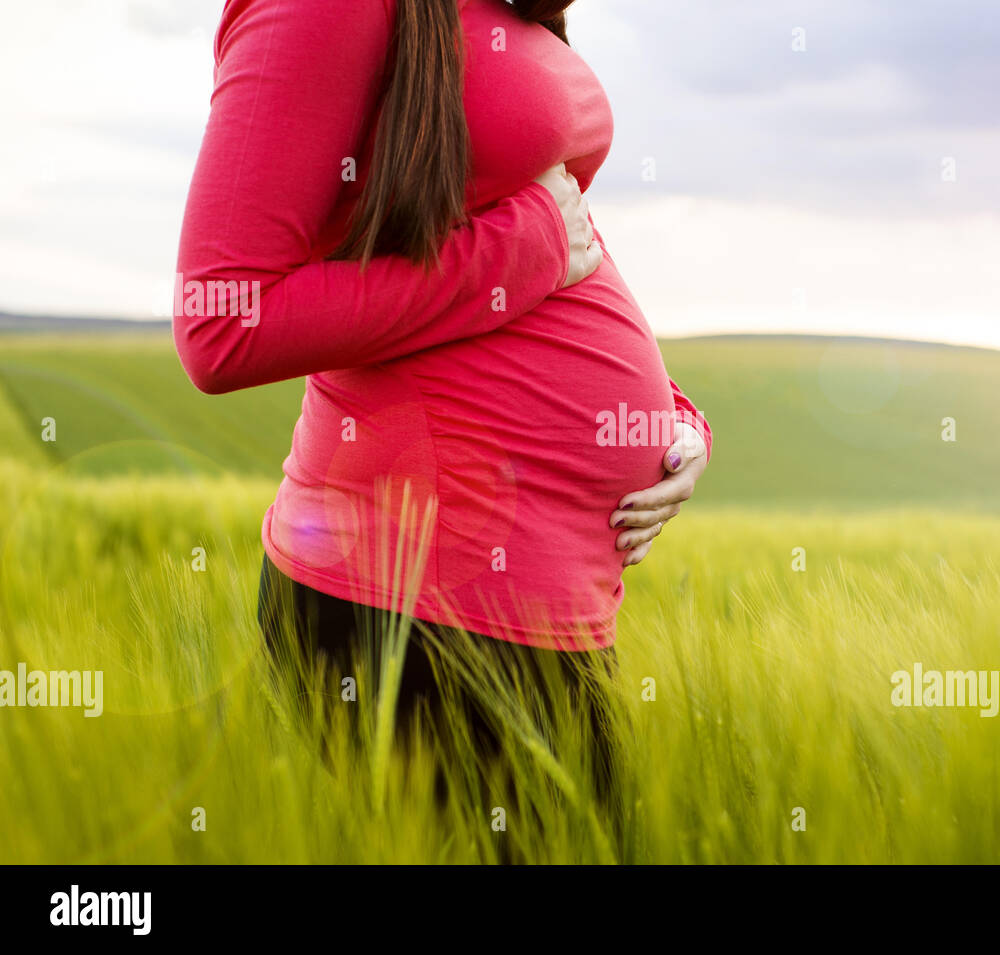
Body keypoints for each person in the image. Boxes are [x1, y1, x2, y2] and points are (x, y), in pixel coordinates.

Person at [173, 0, 712, 852]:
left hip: (536, 607)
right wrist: (520, 248)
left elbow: (555, 226)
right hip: (412, 599)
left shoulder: (505, 11)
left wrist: (661, 418)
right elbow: (223, 324)